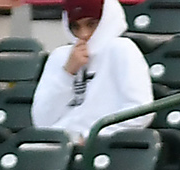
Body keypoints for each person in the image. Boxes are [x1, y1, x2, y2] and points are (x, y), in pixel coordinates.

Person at [31, 0, 154, 142]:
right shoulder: (60, 56)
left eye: (92, 24)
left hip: (105, 144)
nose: (83, 34)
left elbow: (141, 111)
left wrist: (92, 136)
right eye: (76, 27)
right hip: (57, 144)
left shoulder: (123, 49)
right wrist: (67, 73)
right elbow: (42, 120)